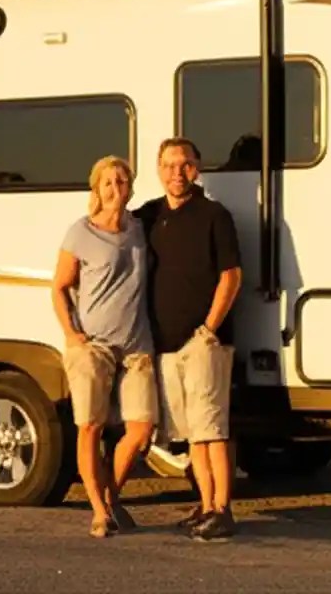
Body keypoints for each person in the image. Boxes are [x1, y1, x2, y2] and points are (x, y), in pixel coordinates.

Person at [134, 137, 242, 541]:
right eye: (169, 165)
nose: (176, 173)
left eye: (185, 164)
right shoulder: (150, 215)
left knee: (213, 428)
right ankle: (205, 504)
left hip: (204, 343)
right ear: (158, 169)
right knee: (193, 432)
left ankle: (223, 509)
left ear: (197, 168)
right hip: (167, 344)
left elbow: (231, 276)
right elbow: (110, 223)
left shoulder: (215, 216)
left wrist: (208, 330)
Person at [50, 155, 159, 538]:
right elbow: (60, 286)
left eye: (123, 181)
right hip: (93, 346)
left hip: (136, 344)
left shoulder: (140, 229)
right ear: (96, 189)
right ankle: (99, 511)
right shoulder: (81, 232)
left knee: (142, 429)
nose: (117, 188)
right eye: (109, 182)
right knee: (91, 427)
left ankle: (111, 496)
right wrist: (71, 333)